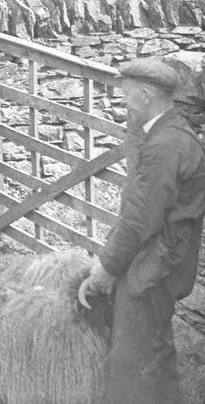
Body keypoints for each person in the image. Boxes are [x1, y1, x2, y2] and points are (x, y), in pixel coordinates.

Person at [77, 58, 205, 404]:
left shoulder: (166, 146)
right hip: (159, 263)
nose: (122, 97)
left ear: (146, 94)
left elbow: (139, 220)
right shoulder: (168, 136)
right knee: (155, 357)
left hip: (151, 268)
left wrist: (106, 268)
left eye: (127, 90)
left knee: (129, 368)